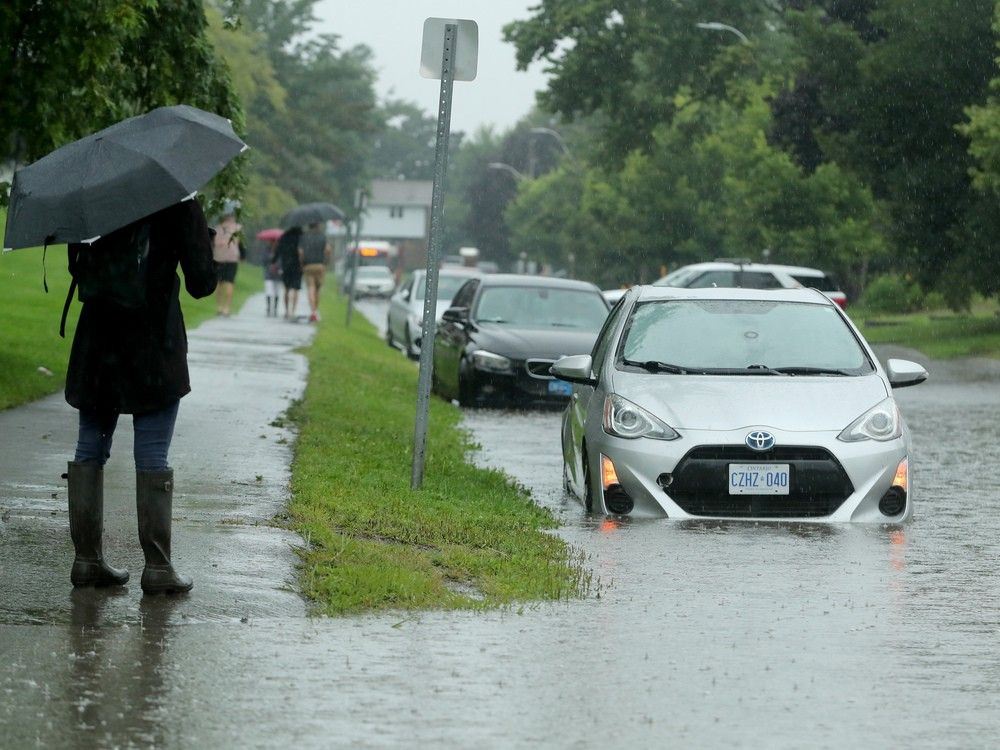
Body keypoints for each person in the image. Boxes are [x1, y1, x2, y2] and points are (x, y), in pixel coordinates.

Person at [64, 198, 217, 595]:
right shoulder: (179, 202)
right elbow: (203, 283)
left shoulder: (97, 199)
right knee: (151, 455)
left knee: (89, 449)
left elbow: (77, 268)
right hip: (153, 345)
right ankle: (157, 568)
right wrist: (204, 237)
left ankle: (86, 561)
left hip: (98, 343)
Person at [298, 222, 331, 322]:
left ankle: (313, 312)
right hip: (320, 266)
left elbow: (300, 252)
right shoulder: (322, 237)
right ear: (318, 225)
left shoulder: (304, 237)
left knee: (311, 288)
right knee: (318, 289)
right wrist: (326, 262)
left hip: (308, 266)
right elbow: (328, 250)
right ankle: (315, 310)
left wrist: (301, 263)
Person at [212, 208, 242, 316]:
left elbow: (213, 243)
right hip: (232, 259)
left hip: (218, 258)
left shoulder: (217, 228)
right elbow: (240, 244)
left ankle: (219, 307)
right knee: (229, 282)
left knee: (218, 283)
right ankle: (226, 308)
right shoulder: (237, 228)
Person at [274, 226, 303, 320]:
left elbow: (278, 251)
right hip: (297, 266)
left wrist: (273, 261)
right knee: (296, 289)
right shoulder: (301, 238)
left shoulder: (284, 237)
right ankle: (293, 311)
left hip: (286, 265)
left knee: (286, 288)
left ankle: (286, 311)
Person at [260, 237, 282, 317]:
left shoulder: (280, 251)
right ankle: (269, 307)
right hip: (268, 274)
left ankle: (275, 308)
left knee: (277, 292)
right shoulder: (266, 250)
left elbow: (282, 261)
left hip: (278, 275)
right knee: (269, 291)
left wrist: (278, 266)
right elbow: (263, 260)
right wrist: (270, 258)